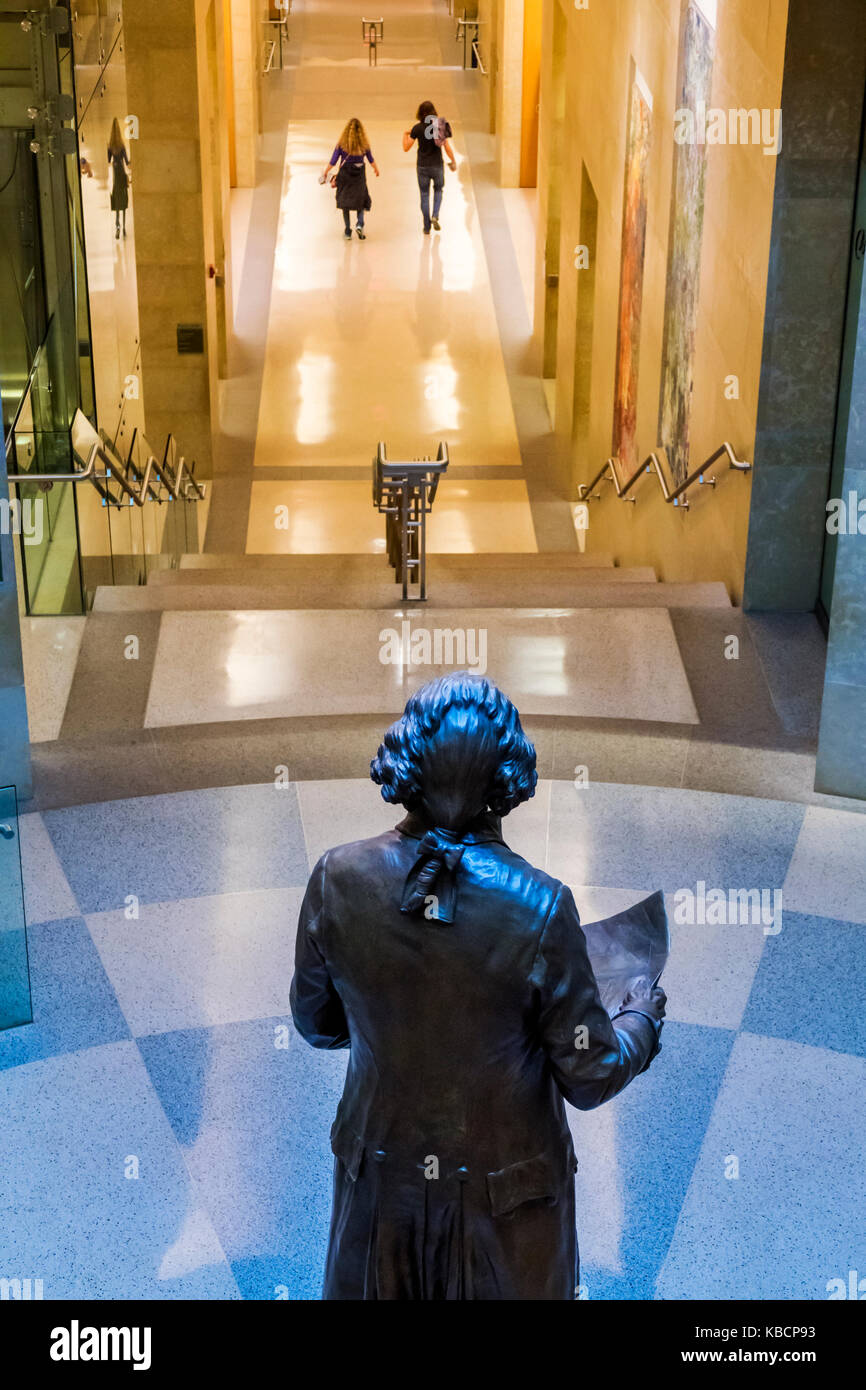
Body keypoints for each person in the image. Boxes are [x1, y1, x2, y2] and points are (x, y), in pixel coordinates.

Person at [291, 671, 667, 1301]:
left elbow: (318, 1023)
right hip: (507, 1204)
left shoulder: (337, 877)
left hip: (381, 1187)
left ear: (406, 761)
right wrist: (639, 1019)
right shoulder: (542, 907)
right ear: (508, 780)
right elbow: (591, 1074)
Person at [320, 117, 379, 240]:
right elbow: (370, 158)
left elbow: (333, 161)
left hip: (345, 175)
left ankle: (347, 231)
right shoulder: (364, 144)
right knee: (360, 200)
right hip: (359, 176)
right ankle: (359, 224)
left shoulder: (341, 144)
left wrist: (326, 172)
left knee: (345, 202)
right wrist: (376, 169)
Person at [402, 100, 456, 234]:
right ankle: (435, 215)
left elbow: (406, 148)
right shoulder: (439, 126)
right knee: (438, 190)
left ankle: (426, 226)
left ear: (420, 113)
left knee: (424, 195)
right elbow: (447, 147)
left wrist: (405, 134)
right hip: (437, 165)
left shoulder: (417, 128)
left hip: (422, 166)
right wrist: (453, 160)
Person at [107, 118, 130, 239]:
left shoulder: (110, 146)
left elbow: (107, 160)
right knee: (124, 202)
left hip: (116, 175)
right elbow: (127, 162)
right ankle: (124, 228)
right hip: (122, 174)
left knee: (116, 201)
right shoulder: (122, 146)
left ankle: (117, 226)